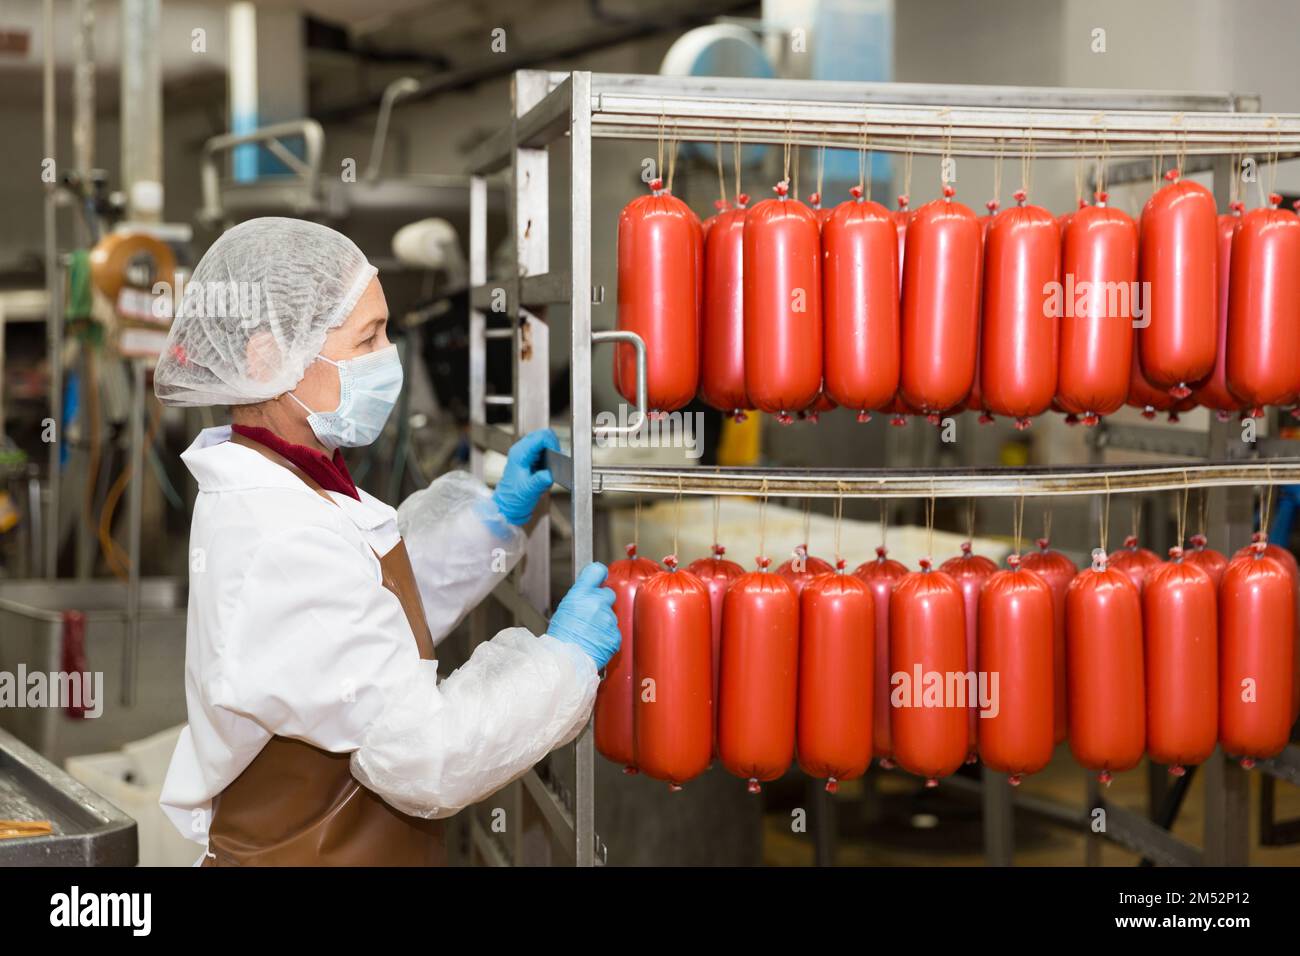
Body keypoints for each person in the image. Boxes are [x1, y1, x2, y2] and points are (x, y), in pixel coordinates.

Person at [153, 217, 620, 866]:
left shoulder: (286, 478)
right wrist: (563, 664)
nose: (387, 358)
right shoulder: (279, 536)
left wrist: (491, 521)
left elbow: (364, 612)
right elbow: (425, 757)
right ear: (267, 360)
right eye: (366, 338)